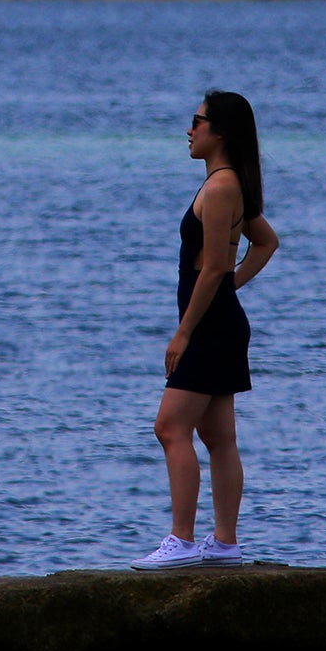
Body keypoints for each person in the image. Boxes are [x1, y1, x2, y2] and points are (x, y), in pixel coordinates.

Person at [133, 91, 281, 570]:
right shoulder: (226, 184)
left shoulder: (220, 188)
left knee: (170, 427)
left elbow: (215, 265)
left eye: (196, 121)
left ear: (220, 132)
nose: (189, 130)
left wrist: (183, 333)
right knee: (218, 437)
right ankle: (225, 544)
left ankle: (182, 540)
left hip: (210, 327)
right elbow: (264, 242)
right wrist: (229, 289)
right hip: (222, 321)